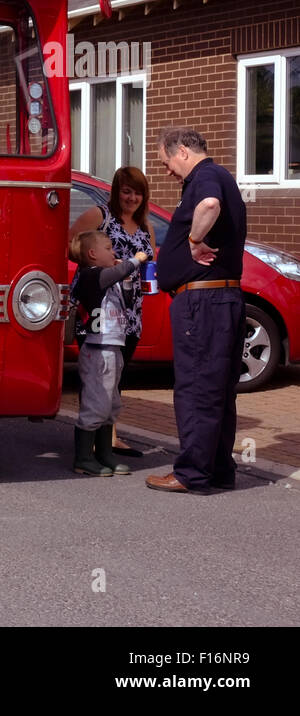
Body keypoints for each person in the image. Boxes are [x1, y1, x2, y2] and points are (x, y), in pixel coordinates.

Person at [148, 127, 248, 494]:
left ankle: (191, 473)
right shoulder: (221, 176)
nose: (169, 172)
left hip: (203, 303)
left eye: (168, 163)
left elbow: (209, 206)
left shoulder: (204, 177)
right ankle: (218, 469)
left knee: (196, 387)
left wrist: (192, 241)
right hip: (222, 300)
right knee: (219, 388)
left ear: (184, 152)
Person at [68, 166, 155, 456]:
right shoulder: (99, 215)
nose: (132, 198)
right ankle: (90, 440)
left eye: (138, 192)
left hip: (129, 312)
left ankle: (108, 436)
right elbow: (70, 244)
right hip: (96, 307)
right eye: (126, 191)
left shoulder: (146, 226)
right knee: (95, 372)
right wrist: (104, 265)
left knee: (116, 373)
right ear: (116, 191)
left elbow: (149, 262)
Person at [69, 231, 149, 476]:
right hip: (97, 349)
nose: (113, 252)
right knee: (96, 403)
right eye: (108, 248)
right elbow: (116, 272)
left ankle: (104, 454)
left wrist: (127, 280)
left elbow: (124, 294)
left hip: (113, 347)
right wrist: (136, 260)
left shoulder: (106, 279)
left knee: (111, 403)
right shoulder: (90, 275)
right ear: (92, 254)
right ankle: (83, 457)